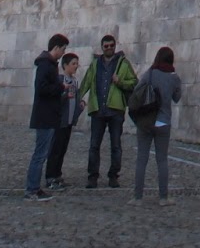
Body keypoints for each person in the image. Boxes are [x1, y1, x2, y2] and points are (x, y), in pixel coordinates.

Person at [79, 33, 138, 189]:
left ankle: (113, 176)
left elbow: (134, 82)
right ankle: (92, 176)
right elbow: (86, 82)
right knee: (94, 145)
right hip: (98, 109)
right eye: (106, 46)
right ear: (102, 47)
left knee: (116, 145)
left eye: (112, 45)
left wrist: (121, 82)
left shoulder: (124, 63)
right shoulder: (95, 64)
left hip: (115, 110)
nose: (110, 48)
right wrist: (77, 98)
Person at [132, 45, 182, 202]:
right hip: (163, 121)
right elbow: (177, 97)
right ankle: (163, 198)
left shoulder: (150, 73)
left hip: (146, 121)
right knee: (162, 160)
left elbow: (138, 90)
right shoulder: (174, 77)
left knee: (142, 159)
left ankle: (137, 198)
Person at [25, 32, 69, 201]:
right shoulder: (46, 65)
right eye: (63, 49)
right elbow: (41, 88)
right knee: (40, 154)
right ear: (56, 47)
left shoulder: (50, 65)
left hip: (48, 114)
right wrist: (60, 88)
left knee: (42, 153)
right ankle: (32, 189)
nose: (64, 52)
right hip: (44, 116)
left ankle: (34, 188)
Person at [45, 51, 83, 190]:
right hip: (59, 121)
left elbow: (75, 101)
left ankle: (58, 175)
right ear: (65, 65)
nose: (76, 66)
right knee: (55, 149)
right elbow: (56, 100)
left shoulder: (74, 81)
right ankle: (50, 177)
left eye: (77, 64)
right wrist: (65, 94)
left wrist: (80, 106)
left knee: (62, 149)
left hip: (68, 121)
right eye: (73, 64)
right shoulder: (60, 80)